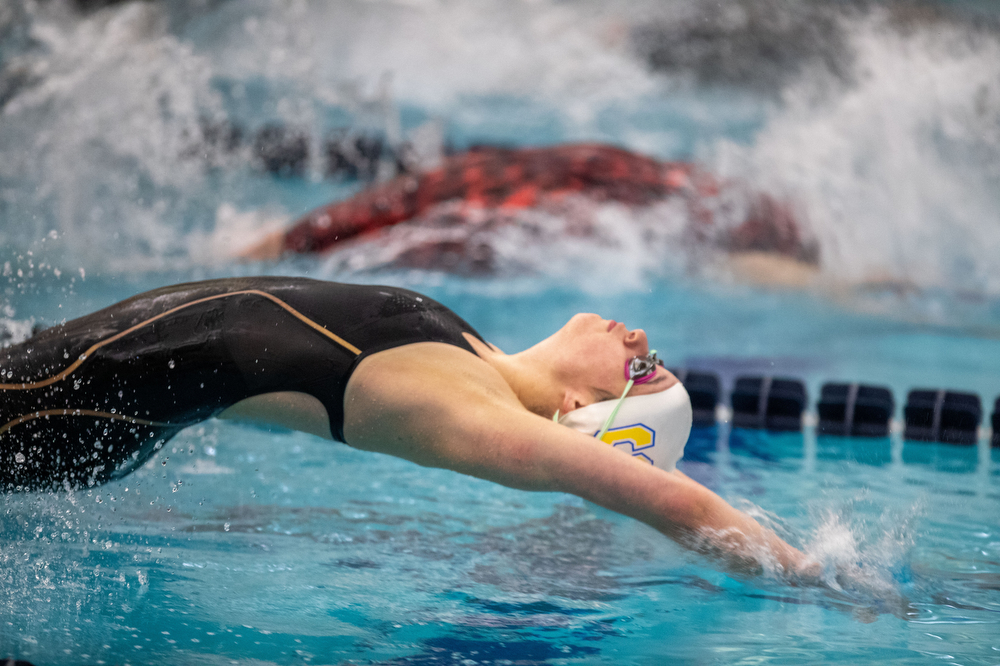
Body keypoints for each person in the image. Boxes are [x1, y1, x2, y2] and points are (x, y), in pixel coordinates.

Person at [0, 276, 819, 582]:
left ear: (580, 416)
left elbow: (656, 494)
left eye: (641, 372)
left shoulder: (468, 410)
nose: (638, 341)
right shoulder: (471, 351)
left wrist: (813, 574)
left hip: (54, 411)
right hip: (68, 386)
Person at [240, 143, 817, 272]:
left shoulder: (686, 189)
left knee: (329, 234)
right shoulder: (718, 217)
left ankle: (258, 248)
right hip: (535, 196)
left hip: (506, 174)